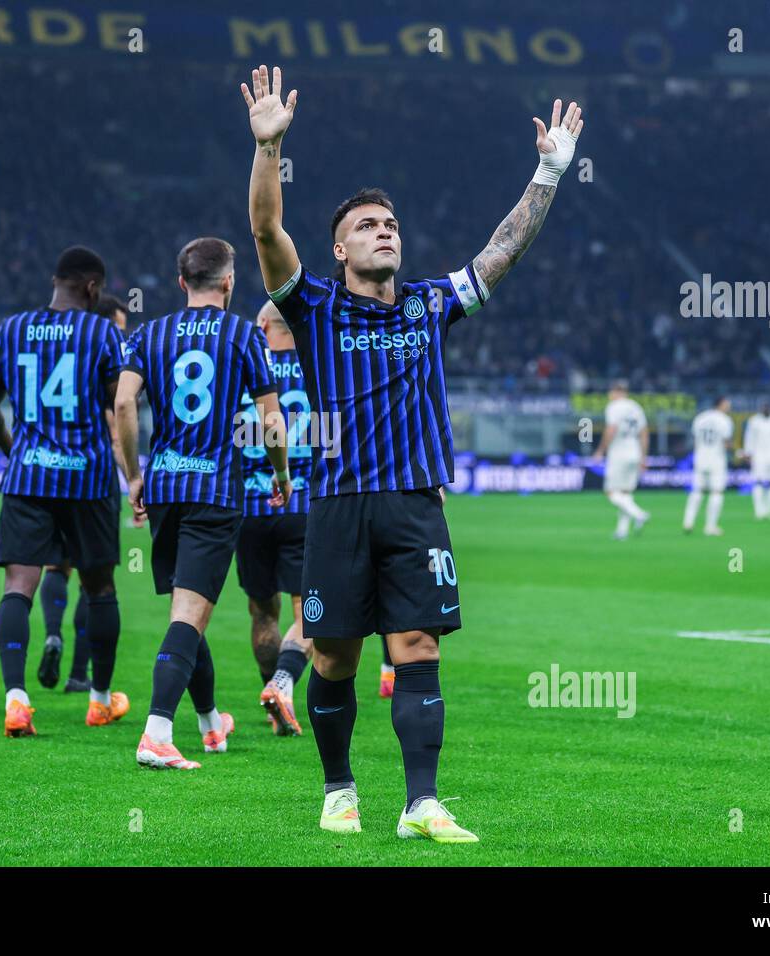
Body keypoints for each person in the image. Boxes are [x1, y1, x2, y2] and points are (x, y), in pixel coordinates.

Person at [242, 64, 581, 842]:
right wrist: (269, 149)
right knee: (332, 657)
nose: (383, 230)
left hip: (415, 505)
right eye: (366, 225)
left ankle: (420, 802)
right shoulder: (314, 306)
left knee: (419, 646)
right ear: (338, 248)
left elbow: (502, 251)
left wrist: (549, 172)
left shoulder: (430, 305)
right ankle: (338, 788)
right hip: (337, 507)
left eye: (389, 223)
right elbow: (265, 232)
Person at [115, 237, 290, 770]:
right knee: (190, 616)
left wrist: (134, 475)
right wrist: (280, 473)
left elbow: (123, 402)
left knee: (185, 612)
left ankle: (212, 724)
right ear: (230, 282)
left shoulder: (150, 334)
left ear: (181, 282)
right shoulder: (242, 335)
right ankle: (156, 733)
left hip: (165, 486)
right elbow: (270, 419)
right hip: (214, 491)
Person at [0, 246, 129, 737]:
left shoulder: (12, 329)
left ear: (54, 279)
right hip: (88, 478)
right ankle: (100, 700)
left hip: (29, 477)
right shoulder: (103, 332)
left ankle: (17, 700)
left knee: (18, 587)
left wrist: (13, 449)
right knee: (100, 588)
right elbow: (119, 404)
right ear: (91, 288)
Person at [37, 292, 132, 694]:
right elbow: (118, 419)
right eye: (118, 329)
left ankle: (52, 634)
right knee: (96, 580)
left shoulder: (53, 349)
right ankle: (80, 674)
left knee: (56, 567)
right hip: (92, 479)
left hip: (46, 475)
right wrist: (133, 476)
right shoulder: (105, 359)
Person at [237, 299, 312, 737]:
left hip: (249, 507)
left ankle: (273, 710)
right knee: (310, 614)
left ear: (261, 324)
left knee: (262, 613)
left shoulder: (245, 370)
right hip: (303, 503)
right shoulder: (317, 366)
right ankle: (283, 684)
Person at [592, 381, 650, 539]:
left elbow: (611, 429)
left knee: (610, 492)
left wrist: (600, 451)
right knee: (625, 493)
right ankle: (622, 531)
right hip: (635, 452)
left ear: (616, 391)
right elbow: (644, 433)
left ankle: (638, 514)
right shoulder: (636, 407)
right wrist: (643, 457)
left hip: (619, 453)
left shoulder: (614, 407)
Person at [684, 397, 734, 536]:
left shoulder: (700, 418)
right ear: (721, 404)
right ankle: (710, 526)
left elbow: (695, 439)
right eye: (727, 404)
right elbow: (726, 442)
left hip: (700, 457)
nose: (728, 407)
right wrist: (735, 451)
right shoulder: (724, 420)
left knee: (697, 490)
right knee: (716, 492)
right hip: (717, 459)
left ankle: (688, 522)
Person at [742, 403, 770, 520]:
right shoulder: (754, 421)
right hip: (758, 456)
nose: (766, 410)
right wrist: (748, 453)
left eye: (768, 408)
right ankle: (758, 511)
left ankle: (769, 510)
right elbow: (749, 438)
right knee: (758, 481)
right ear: (761, 409)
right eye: (764, 408)